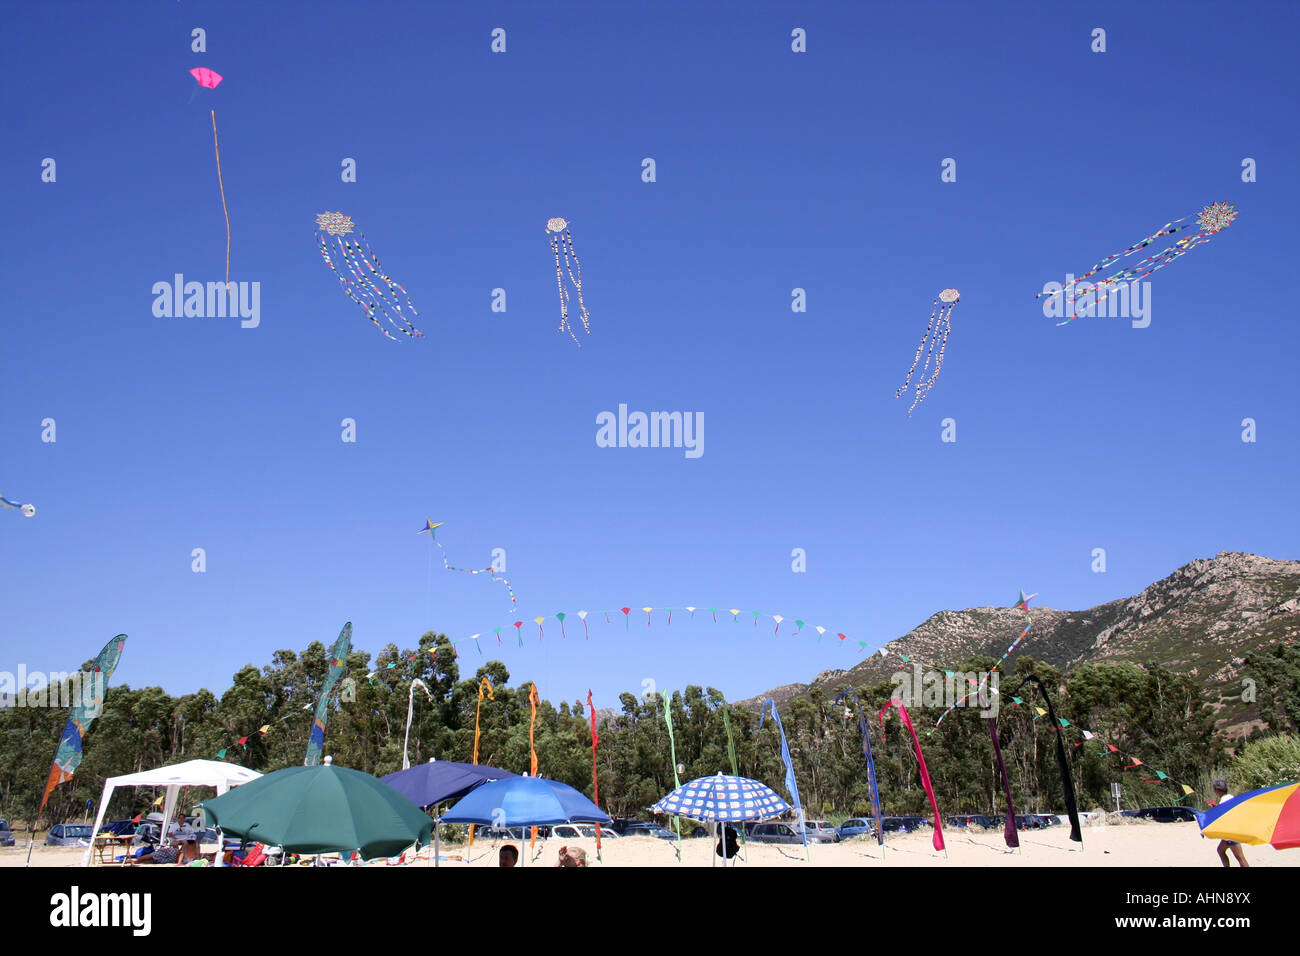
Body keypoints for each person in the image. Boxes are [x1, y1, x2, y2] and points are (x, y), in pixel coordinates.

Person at [1211, 778, 1249, 868]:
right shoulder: (1230, 797)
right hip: (1229, 833)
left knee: (1240, 858)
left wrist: (1215, 809)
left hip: (1231, 833)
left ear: (1217, 790)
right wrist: (1216, 807)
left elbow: (1223, 816)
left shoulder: (1224, 800)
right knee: (1220, 850)